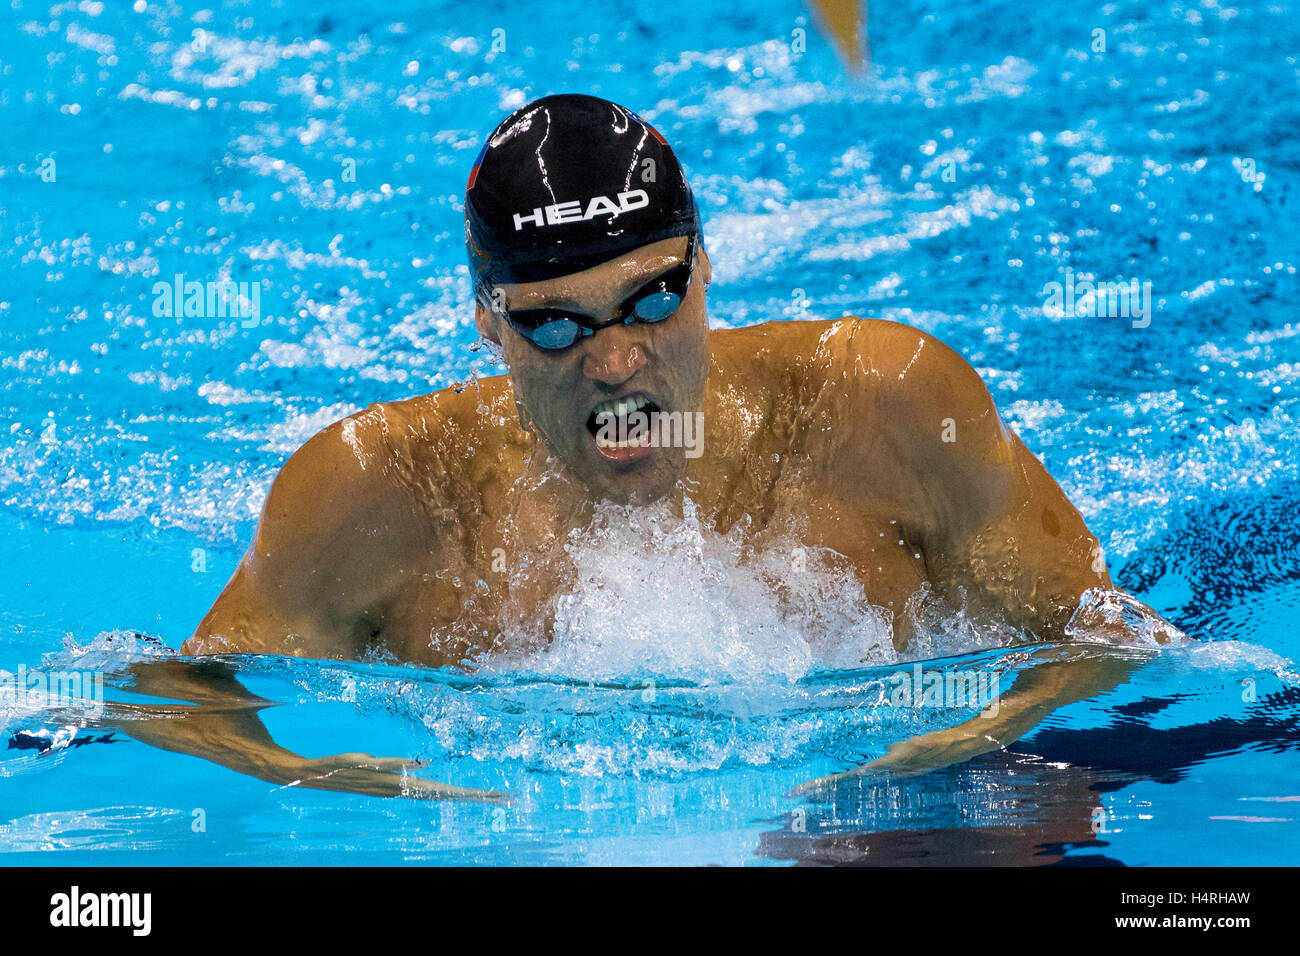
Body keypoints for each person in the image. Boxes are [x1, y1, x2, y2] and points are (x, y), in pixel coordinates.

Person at [113, 93, 1179, 799]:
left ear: (707, 266)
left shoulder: (884, 405)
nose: (616, 363)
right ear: (488, 323)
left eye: (652, 298)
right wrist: (308, 775)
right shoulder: (377, 493)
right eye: (554, 323)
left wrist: (972, 733)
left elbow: (1119, 638)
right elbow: (153, 698)